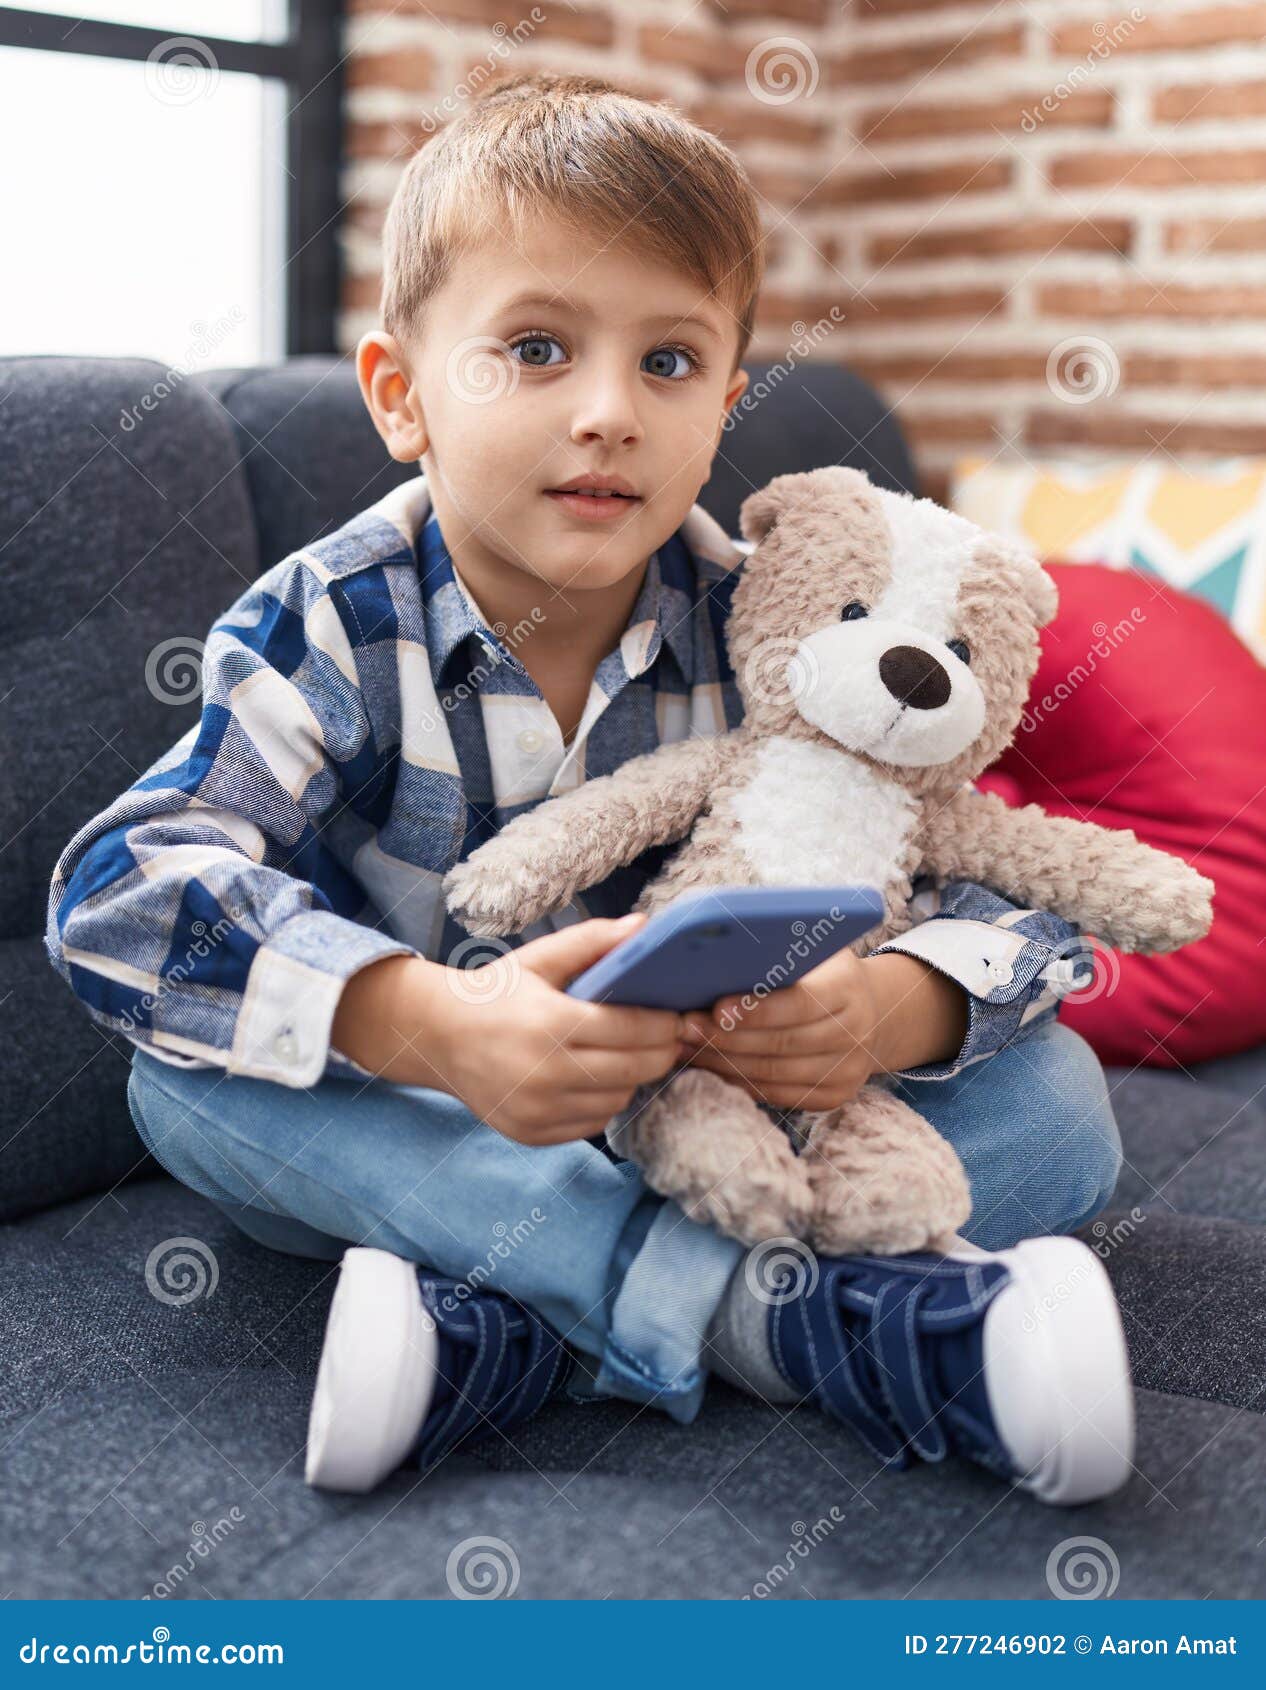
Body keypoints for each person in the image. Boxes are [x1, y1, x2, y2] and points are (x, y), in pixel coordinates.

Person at [45, 72, 1130, 1507]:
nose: (611, 411)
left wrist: (891, 1006)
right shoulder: (330, 624)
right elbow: (120, 893)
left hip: (721, 1108)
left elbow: (990, 885)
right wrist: (426, 1018)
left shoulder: (775, 625)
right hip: (443, 1110)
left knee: (1060, 1106)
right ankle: (796, 1319)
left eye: (669, 363)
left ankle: (508, 1323)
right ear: (400, 396)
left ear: (726, 405)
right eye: (539, 347)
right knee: (179, 1087)